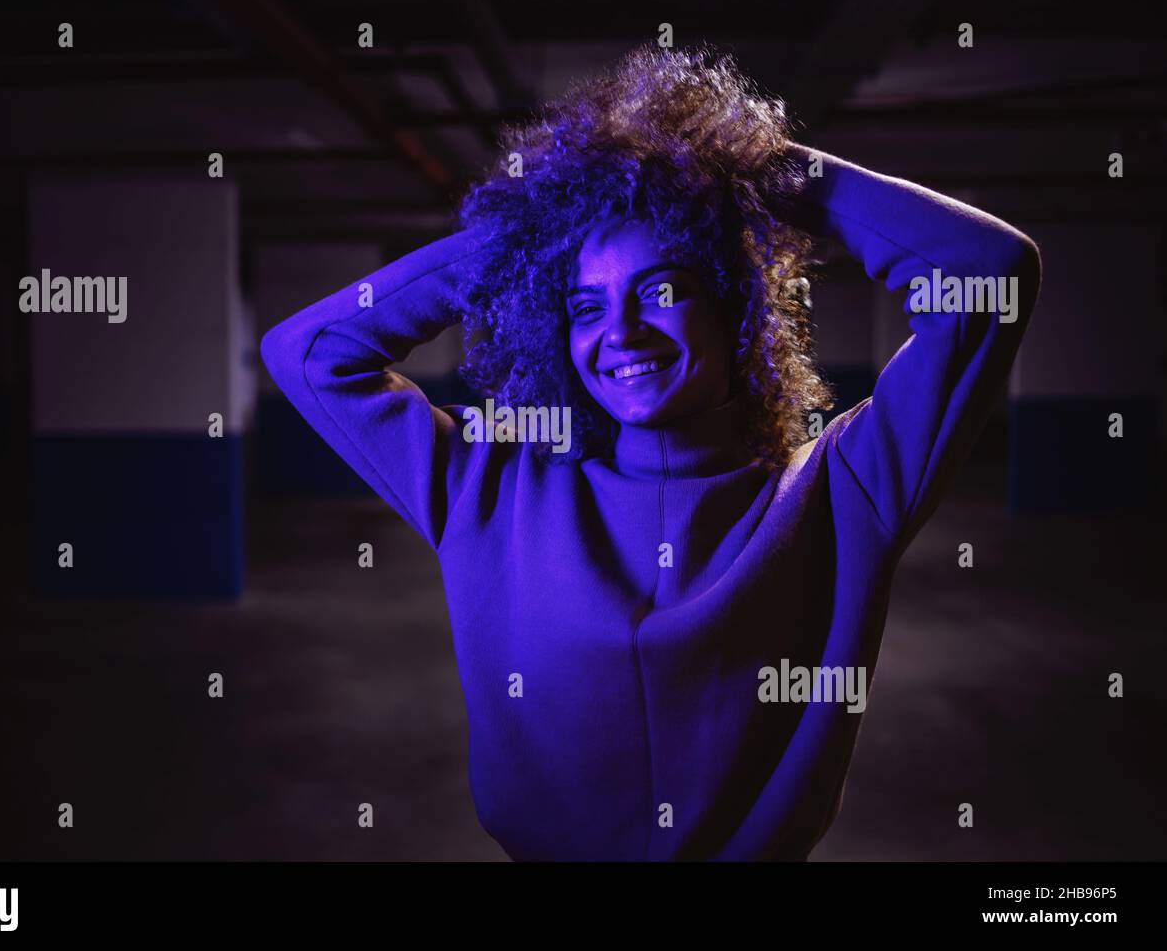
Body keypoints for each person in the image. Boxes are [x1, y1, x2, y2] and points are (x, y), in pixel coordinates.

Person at [260, 44, 1041, 860]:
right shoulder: (489, 485)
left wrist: (756, 174)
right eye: (585, 306)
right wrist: (515, 234)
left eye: (661, 290)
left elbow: (990, 274)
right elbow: (308, 355)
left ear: (734, 307)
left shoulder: (844, 490)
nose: (620, 333)